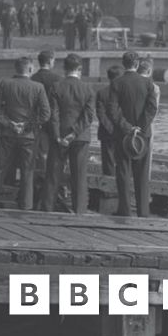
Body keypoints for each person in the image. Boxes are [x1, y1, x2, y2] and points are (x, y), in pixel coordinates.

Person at [0, 57, 51, 209]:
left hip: (7, 133)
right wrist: (27, 125)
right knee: (27, 170)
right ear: (29, 69)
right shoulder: (38, 87)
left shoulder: (4, 83)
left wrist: (9, 123)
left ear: (16, 69)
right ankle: (26, 204)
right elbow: (45, 114)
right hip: (28, 136)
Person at [106, 51, 158, 217]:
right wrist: (140, 127)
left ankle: (125, 210)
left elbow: (112, 111)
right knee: (142, 174)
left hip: (123, 135)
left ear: (123, 64)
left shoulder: (116, 83)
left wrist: (128, 127)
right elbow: (152, 109)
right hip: (144, 135)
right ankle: (143, 212)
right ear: (137, 64)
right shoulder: (148, 83)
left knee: (123, 171)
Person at [43, 54, 95, 214]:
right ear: (80, 69)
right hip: (80, 137)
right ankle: (79, 211)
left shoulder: (56, 87)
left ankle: (48, 208)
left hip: (59, 136)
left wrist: (58, 135)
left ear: (64, 68)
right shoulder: (88, 89)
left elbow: (54, 114)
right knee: (79, 176)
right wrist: (73, 134)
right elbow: (88, 117)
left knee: (53, 173)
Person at [31, 50, 62, 208]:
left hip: (37, 124)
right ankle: (51, 194)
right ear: (50, 61)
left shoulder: (32, 78)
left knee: (39, 157)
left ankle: (37, 192)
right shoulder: (57, 79)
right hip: (54, 125)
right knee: (53, 159)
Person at [95, 65, 124, 176]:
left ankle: (108, 186)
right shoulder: (125, 92)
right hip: (122, 131)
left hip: (106, 133)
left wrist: (111, 129)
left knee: (108, 161)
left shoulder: (101, 93)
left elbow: (100, 114)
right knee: (123, 161)